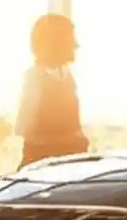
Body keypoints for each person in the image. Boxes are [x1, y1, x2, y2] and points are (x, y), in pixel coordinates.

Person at [16, 13, 88, 167]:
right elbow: (25, 129)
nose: (76, 45)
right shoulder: (34, 79)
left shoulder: (67, 77)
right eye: (71, 39)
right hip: (43, 168)